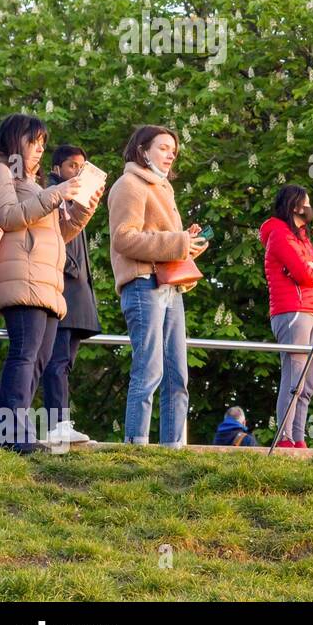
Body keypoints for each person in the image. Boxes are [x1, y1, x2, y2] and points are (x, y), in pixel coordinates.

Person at [0, 115, 100, 452]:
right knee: (24, 355)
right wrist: (56, 194)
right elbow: (9, 216)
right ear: (16, 140)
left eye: (44, 143)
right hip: (21, 277)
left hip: (44, 281)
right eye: (35, 142)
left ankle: (19, 436)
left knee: (38, 360)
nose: (41, 149)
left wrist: (83, 209)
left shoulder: (29, 180)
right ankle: (11, 437)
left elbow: (58, 234)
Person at [107, 125, 207, 448]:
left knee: (178, 373)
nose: (170, 154)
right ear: (142, 150)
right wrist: (177, 242)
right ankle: (135, 444)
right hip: (142, 284)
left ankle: (174, 447)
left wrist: (187, 243)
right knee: (149, 370)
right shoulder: (129, 184)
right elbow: (124, 238)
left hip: (170, 287)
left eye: (173, 150)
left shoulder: (165, 189)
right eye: (163, 148)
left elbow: (164, 241)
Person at [261, 184, 313, 449]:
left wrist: (312, 269)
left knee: (308, 382)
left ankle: (298, 436)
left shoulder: (301, 237)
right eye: (307, 202)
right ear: (295, 206)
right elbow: (306, 274)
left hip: (309, 310)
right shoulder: (280, 235)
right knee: (295, 377)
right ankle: (284, 437)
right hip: (293, 310)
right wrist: (312, 271)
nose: (310, 207)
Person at [39, 145, 101, 446]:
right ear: (56, 169)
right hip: (62, 286)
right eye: (71, 166)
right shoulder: (50, 196)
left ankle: (61, 422)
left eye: (81, 166)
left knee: (65, 361)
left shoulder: (76, 199)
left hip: (77, 291)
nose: (77, 171)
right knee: (57, 360)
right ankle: (57, 424)